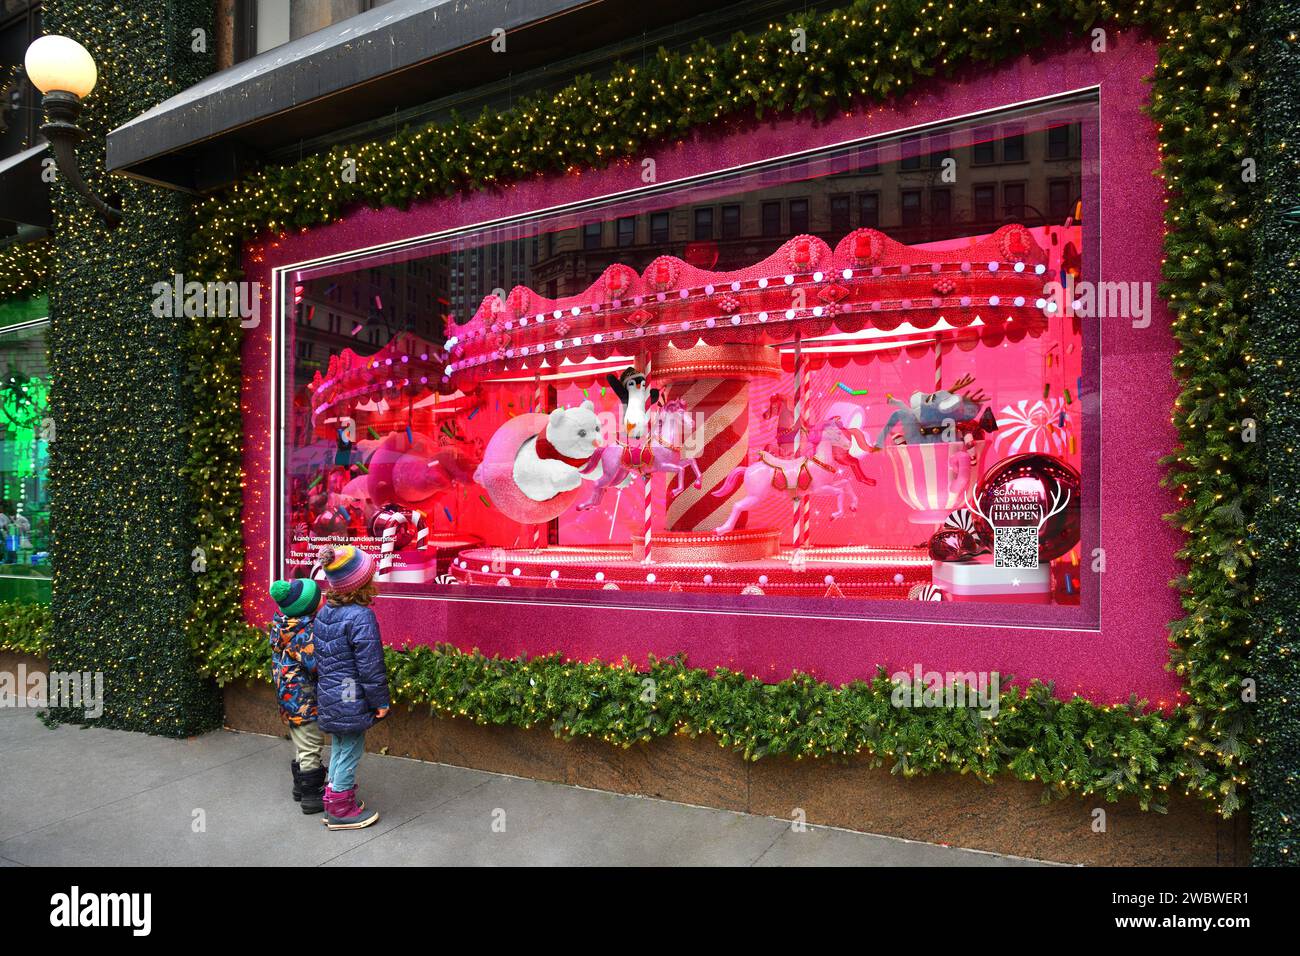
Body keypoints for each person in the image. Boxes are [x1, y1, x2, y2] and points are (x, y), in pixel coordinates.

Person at [313, 545, 390, 830]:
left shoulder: (325, 613)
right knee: (351, 749)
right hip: (349, 696)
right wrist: (379, 701)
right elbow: (370, 665)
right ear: (361, 584)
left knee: (341, 746)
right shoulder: (360, 617)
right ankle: (340, 810)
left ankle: (334, 799)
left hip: (332, 695)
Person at [267, 577, 326, 814]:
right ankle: (312, 796)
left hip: (288, 699)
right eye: (318, 597)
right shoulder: (303, 632)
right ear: (308, 607)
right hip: (302, 701)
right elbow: (315, 665)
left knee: (302, 743)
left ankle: (300, 788)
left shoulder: (283, 624)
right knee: (311, 744)